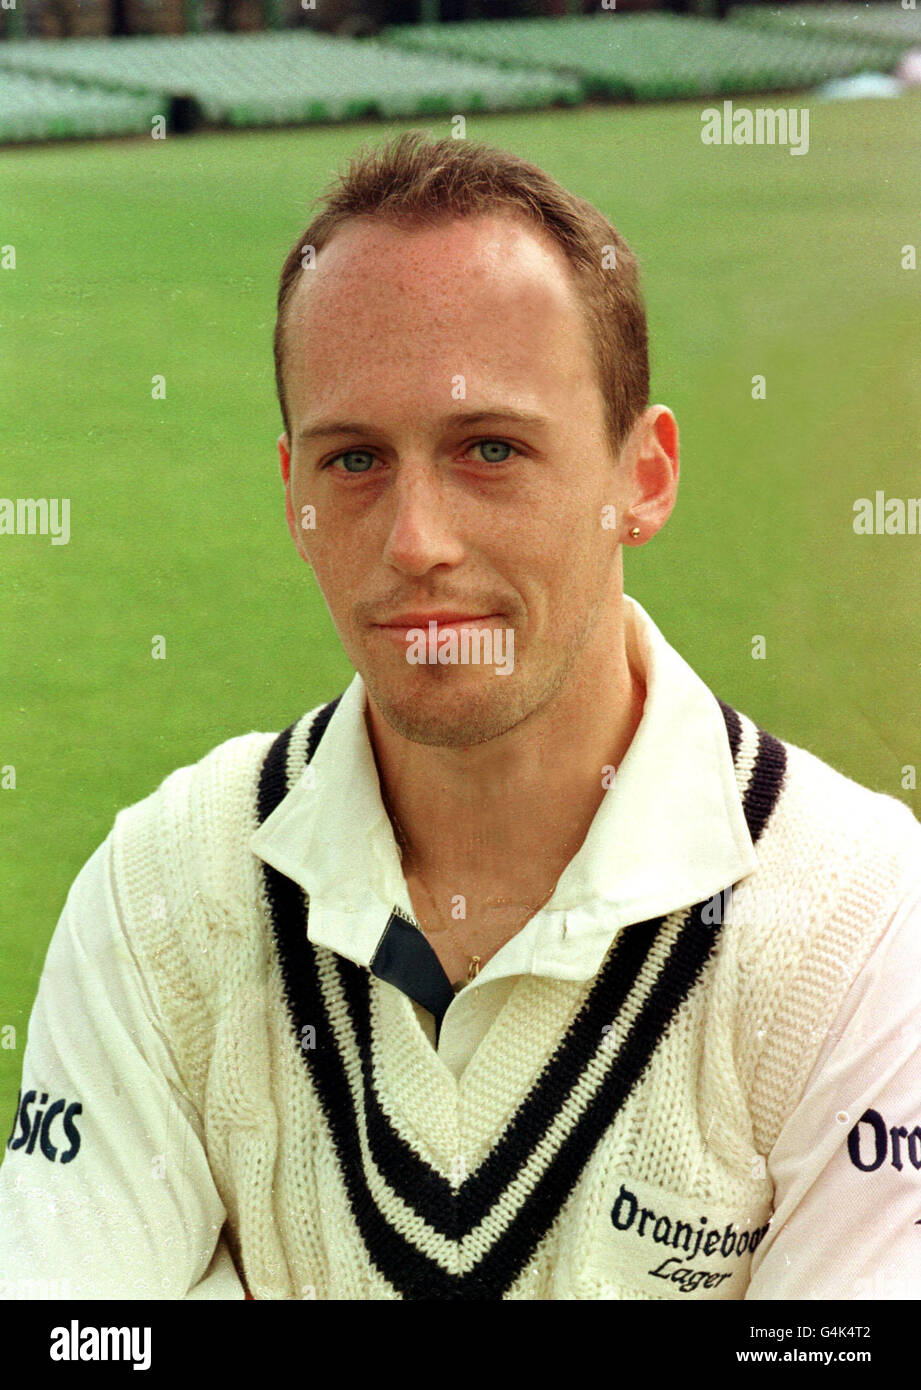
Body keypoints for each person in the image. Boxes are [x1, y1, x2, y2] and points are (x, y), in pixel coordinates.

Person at [1, 131, 919, 1301]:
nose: (417, 542)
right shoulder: (159, 894)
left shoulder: (865, 919)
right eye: (354, 462)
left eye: (490, 448)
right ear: (292, 491)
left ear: (643, 475)